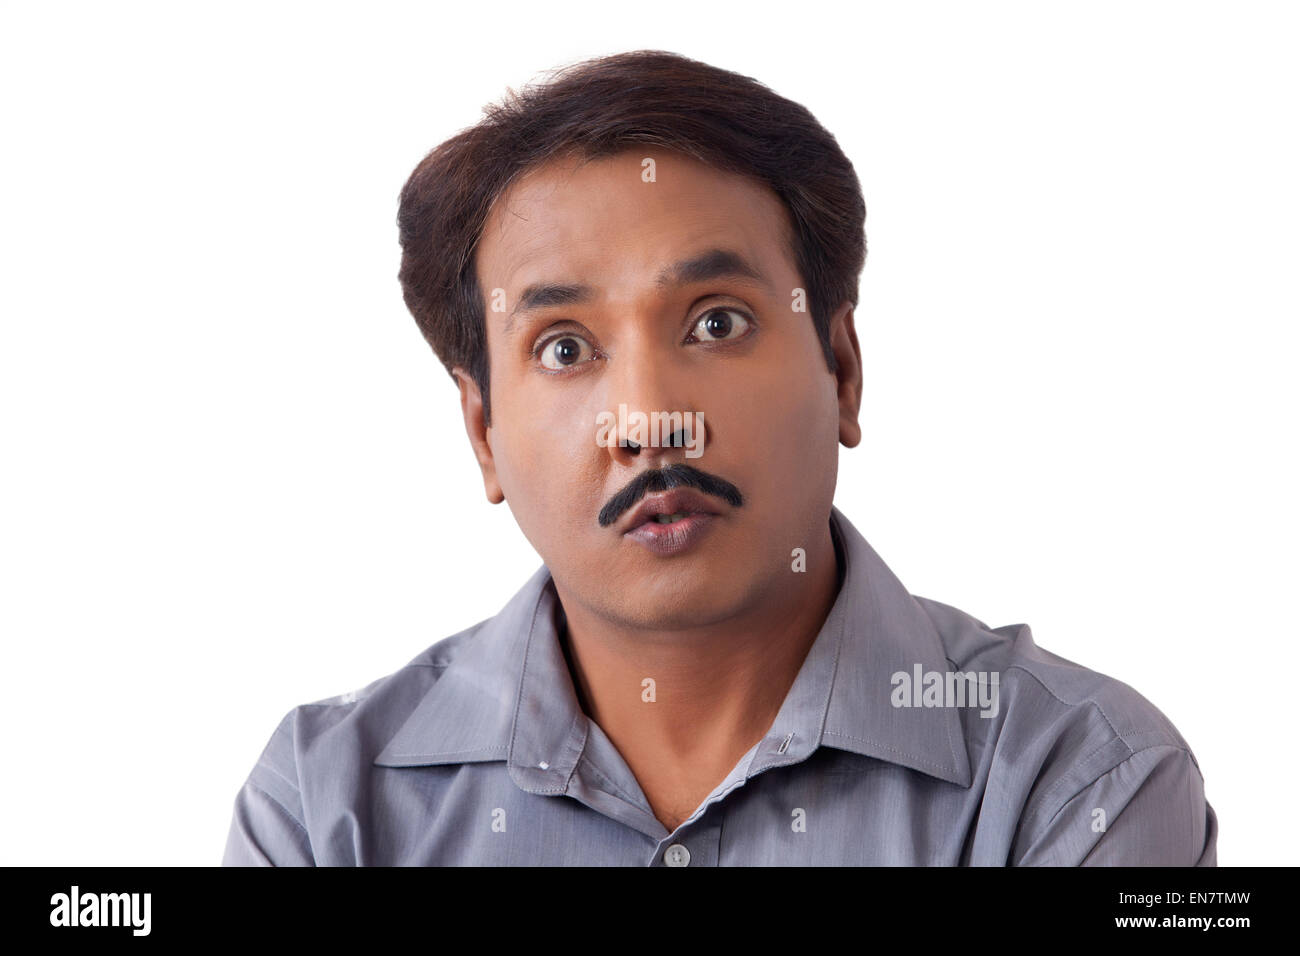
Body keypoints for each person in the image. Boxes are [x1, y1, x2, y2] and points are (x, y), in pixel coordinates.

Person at [222, 49, 1216, 866]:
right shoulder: (326, 809)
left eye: (716, 321)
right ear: (482, 431)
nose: (651, 420)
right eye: (563, 347)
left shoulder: (1082, 782)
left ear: (841, 367)